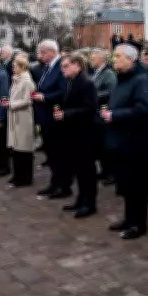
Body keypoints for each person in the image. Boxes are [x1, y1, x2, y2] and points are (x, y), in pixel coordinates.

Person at [103, 44, 148, 238]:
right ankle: (128, 218)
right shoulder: (122, 79)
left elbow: (144, 108)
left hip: (134, 142)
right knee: (125, 184)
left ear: (131, 59)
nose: (114, 59)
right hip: (120, 141)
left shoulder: (140, 80)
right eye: (114, 56)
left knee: (136, 186)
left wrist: (115, 115)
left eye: (118, 56)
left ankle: (138, 224)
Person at [55, 53, 99, 218]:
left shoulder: (86, 83)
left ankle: (90, 203)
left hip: (85, 134)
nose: (63, 70)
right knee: (79, 169)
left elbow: (90, 108)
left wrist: (66, 114)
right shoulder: (72, 82)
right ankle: (81, 199)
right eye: (61, 67)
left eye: (66, 66)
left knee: (87, 170)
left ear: (77, 65)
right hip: (74, 133)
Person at [32, 40, 69, 199]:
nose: (40, 56)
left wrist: (44, 97)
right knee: (51, 153)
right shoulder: (48, 67)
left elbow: (64, 91)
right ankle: (55, 183)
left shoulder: (61, 66)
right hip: (45, 117)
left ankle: (63, 185)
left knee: (58, 153)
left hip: (55, 117)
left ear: (51, 52)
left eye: (42, 52)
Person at [7, 54, 36, 187]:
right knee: (16, 148)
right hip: (15, 116)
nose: (13, 68)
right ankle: (17, 174)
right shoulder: (16, 79)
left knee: (24, 148)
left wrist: (11, 104)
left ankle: (26, 177)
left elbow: (28, 100)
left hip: (23, 117)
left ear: (21, 66)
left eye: (15, 66)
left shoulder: (27, 81)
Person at [89, 49, 117, 184]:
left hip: (104, 113)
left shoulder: (109, 74)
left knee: (106, 145)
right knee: (99, 145)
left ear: (101, 59)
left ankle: (111, 173)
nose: (91, 60)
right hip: (96, 114)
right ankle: (105, 170)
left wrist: (94, 96)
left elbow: (112, 91)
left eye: (93, 58)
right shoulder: (96, 73)